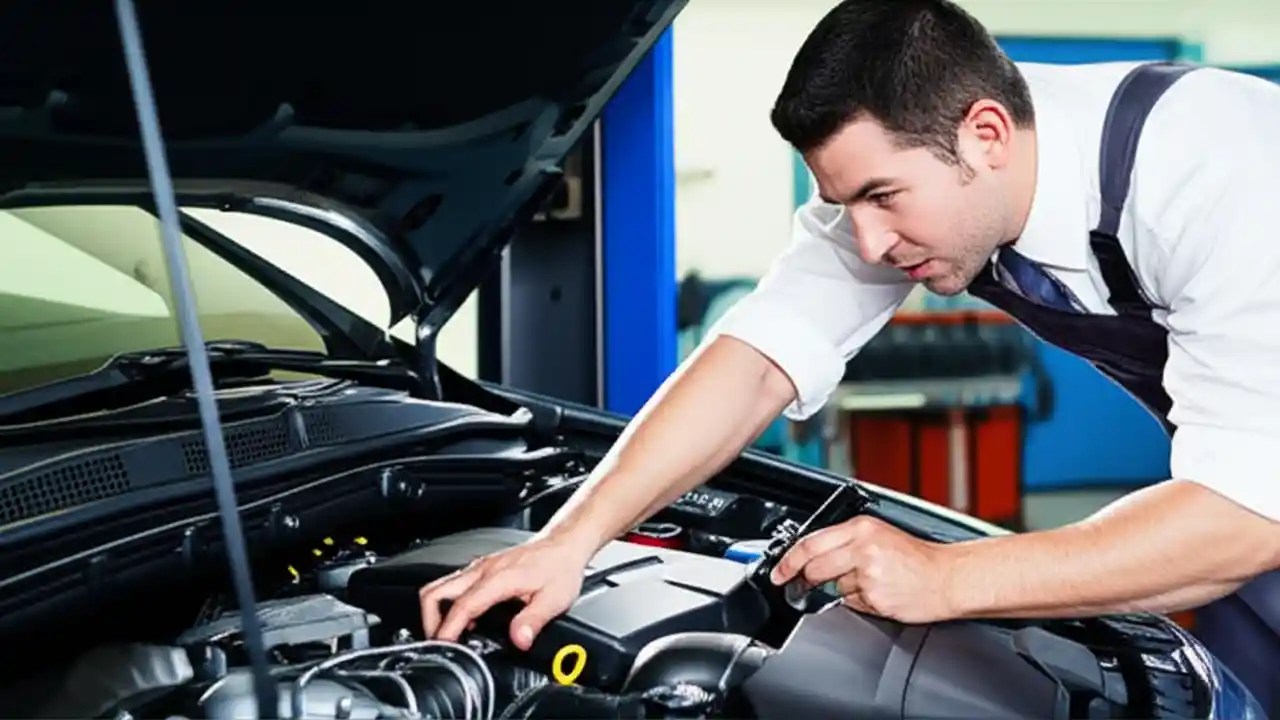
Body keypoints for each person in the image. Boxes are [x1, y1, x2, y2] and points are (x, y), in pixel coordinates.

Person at [421, 0, 1280, 706]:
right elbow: (758, 356)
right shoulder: (940, 162)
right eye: (845, 205)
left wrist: (947, 578)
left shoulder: (1217, 174)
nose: (867, 243)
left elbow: (1242, 518)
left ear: (986, 135)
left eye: (882, 198)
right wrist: (569, 542)